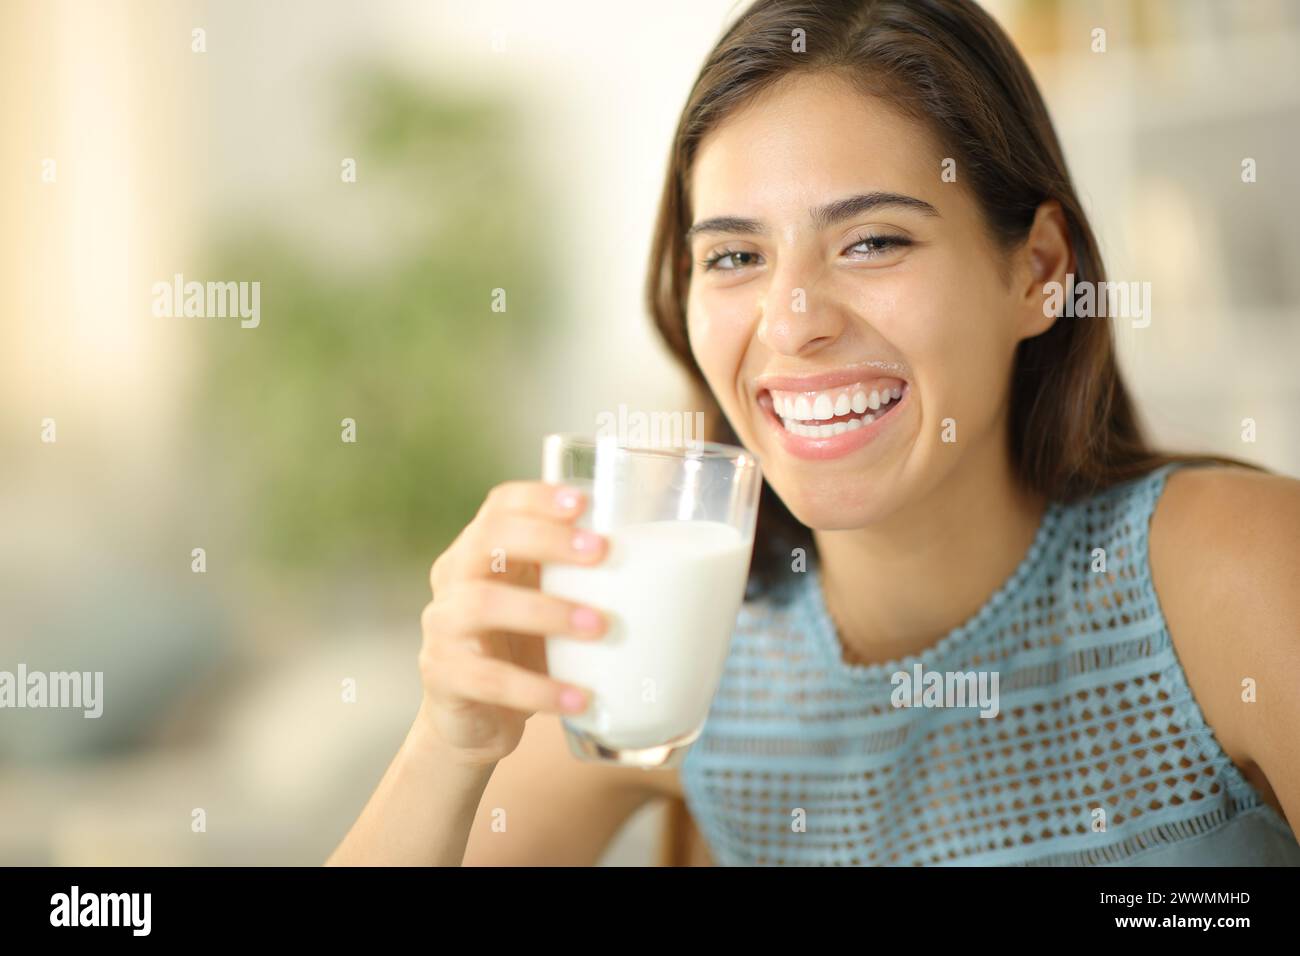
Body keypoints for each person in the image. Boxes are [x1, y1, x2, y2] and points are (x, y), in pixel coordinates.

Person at [328, 0, 1300, 866]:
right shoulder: (672, 642)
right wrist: (446, 744)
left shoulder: (1233, 570)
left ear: (1039, 270)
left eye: (873, 240)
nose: (793, 321)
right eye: (736, 254)